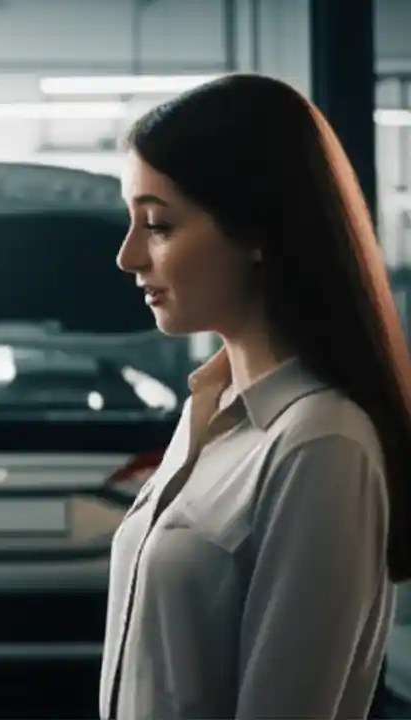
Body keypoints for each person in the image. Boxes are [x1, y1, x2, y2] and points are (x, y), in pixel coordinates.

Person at [101, 71, 411, 720]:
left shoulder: (320, 441)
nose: (128, 257)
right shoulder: (206, 411)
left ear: (257, 230)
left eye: (157, 224)